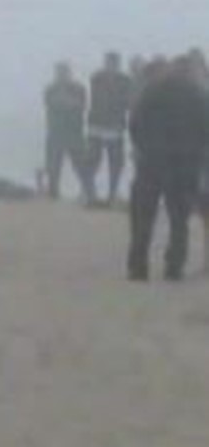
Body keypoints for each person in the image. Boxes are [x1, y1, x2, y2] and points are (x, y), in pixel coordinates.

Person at [127, 56, 209, 282]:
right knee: (179, 219)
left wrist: (142, 148)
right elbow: (206, 128)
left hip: (151, 161)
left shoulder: (152, 90)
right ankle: (174, 267)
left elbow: (134, 123)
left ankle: (138, 267)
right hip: (184, 164)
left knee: (143, 217)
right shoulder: (197, 94)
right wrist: (198, 154)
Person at [87, 52, 135, 206]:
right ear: (105, 63)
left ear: (117, 64)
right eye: (108, 63)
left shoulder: (125, 80)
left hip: (115, 127)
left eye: (113, 63)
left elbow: (127, 102)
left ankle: (112, 193)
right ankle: (89, 191)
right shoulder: (97, 78)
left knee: (116, 162)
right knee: (93, 160)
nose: (111, 66)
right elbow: (99, 99)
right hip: (97, 126)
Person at [43, 61, 92, 202]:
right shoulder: (50, 89)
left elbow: (81, 105)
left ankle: (88, 192)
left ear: (69, 73)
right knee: (53, 166)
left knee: (81, 164)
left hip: (74, 132)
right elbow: (51, 103)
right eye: (59, 72)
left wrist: (65, 101)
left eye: (64, 72)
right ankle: (53, 193)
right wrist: (67, 102)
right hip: (55, 133)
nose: (61, 75)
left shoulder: (79, 88)